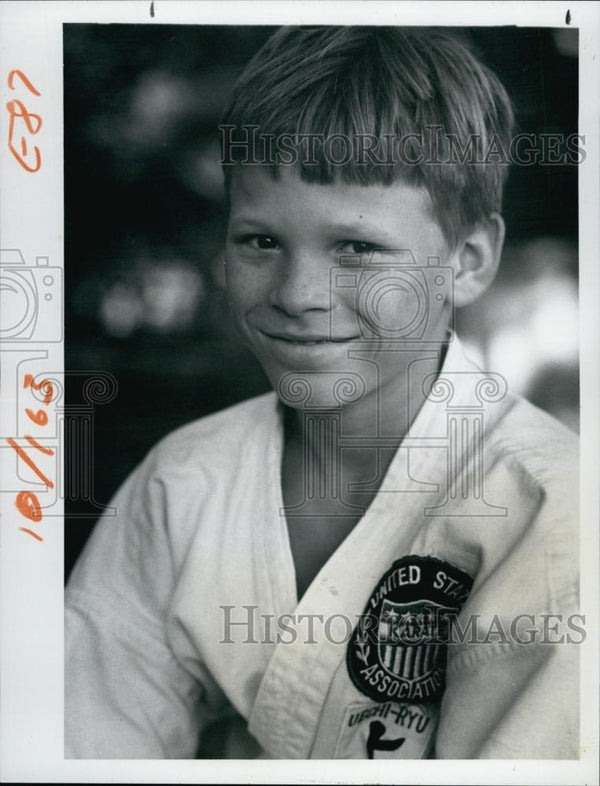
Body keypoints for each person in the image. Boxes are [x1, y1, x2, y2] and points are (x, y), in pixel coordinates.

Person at [65, 26, 579, 759]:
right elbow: (82, 741)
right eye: (260, 241)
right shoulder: (184, 480)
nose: (299, 294)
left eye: (358, 248)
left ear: (466, 261)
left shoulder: (551, 509)